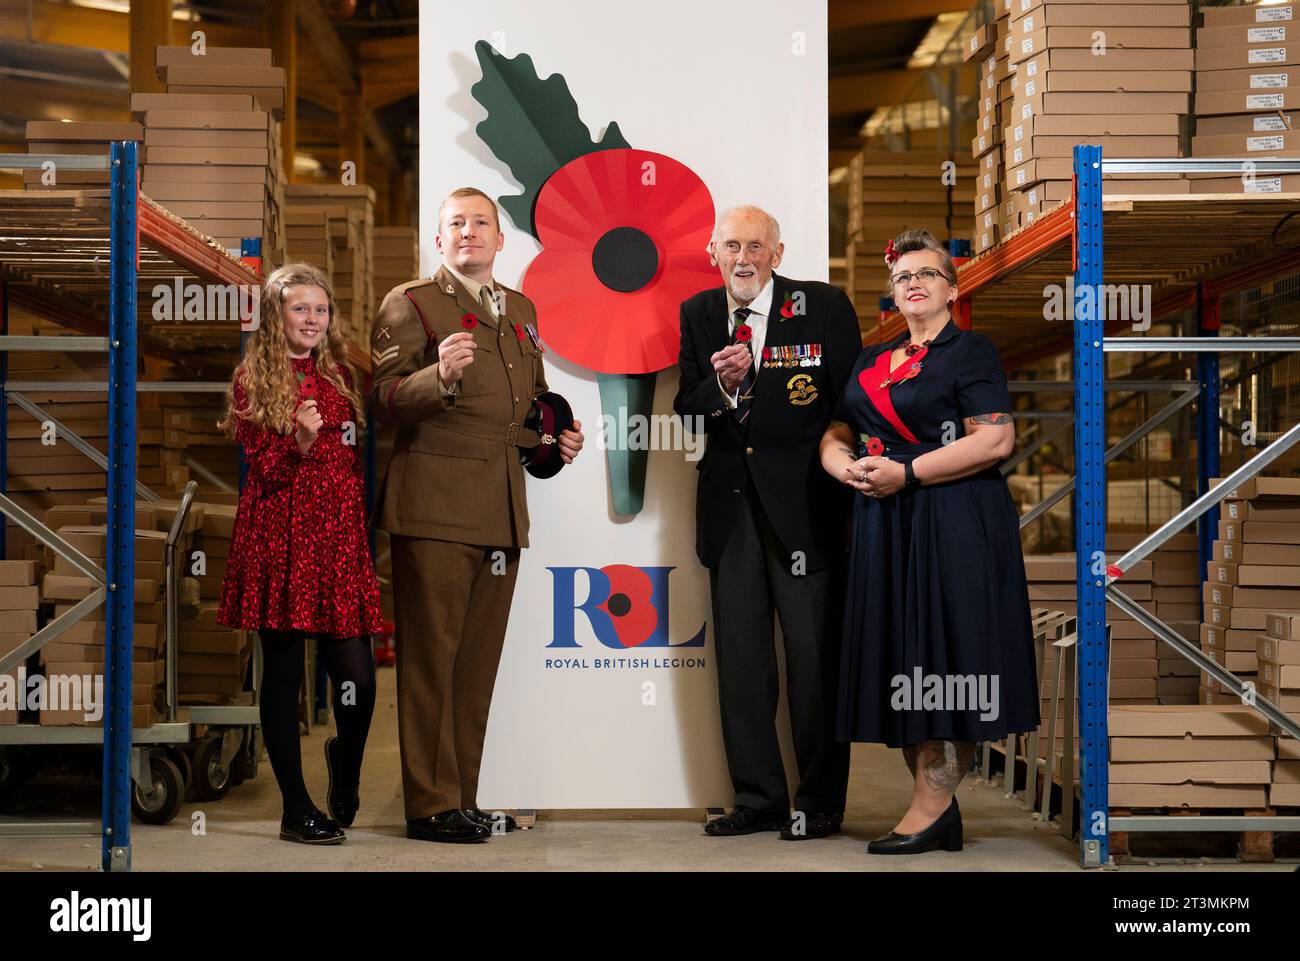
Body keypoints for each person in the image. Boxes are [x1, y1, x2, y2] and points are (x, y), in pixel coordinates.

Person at [370, 187, 585, 844]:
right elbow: (383, 397)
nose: (469, 232)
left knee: (474, 666)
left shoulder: (518, 309)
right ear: (439, 241)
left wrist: (552, 440)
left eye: (480, 222)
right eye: (455, 223)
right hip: (434, 507)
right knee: (432, 661)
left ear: (500, 238)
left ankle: (461, 795)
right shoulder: (411, 304)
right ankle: (429, 804)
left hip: (500, 510)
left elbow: (530, 405)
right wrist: (438, 376)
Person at [820, 228, 1038, 855]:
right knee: (905, 657)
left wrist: (907, 472)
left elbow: (995, 440)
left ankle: (931, 805)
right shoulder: (870, 361)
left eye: (927, 275)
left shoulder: (970, 352)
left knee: (952, 656)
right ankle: (935, 808)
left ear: (952, 287)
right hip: (885, 521)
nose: (913, 284)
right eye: (903, 277)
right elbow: (836, 431)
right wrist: (847, 468)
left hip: (952, 519)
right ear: (892, 294)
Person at [674, 204, 862, 840]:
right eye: (731, 246)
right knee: (743, 663)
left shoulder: (824, 306)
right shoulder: (699, 314)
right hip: (731, 515)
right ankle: (757, 798)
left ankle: (819, 804)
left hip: (807, 511)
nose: (743, 257)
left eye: (756, 245)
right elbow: (686, 408)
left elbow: (850, 402)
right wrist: (723, 387)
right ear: (714, 252)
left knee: (812, 660)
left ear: (777, 254)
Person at [218, 262, 383, 845]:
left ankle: (346, 763)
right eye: (299, 309)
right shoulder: (252, 380)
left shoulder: (339, 377)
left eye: (320, 310)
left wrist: (357, 533)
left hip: (335, 540)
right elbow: (260, 473)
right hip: (280, 537)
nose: (312, 319)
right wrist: (300, 443)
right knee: (284, 677)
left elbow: (354, 466)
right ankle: (295, 807)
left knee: (358, 679)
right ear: (276, 316)